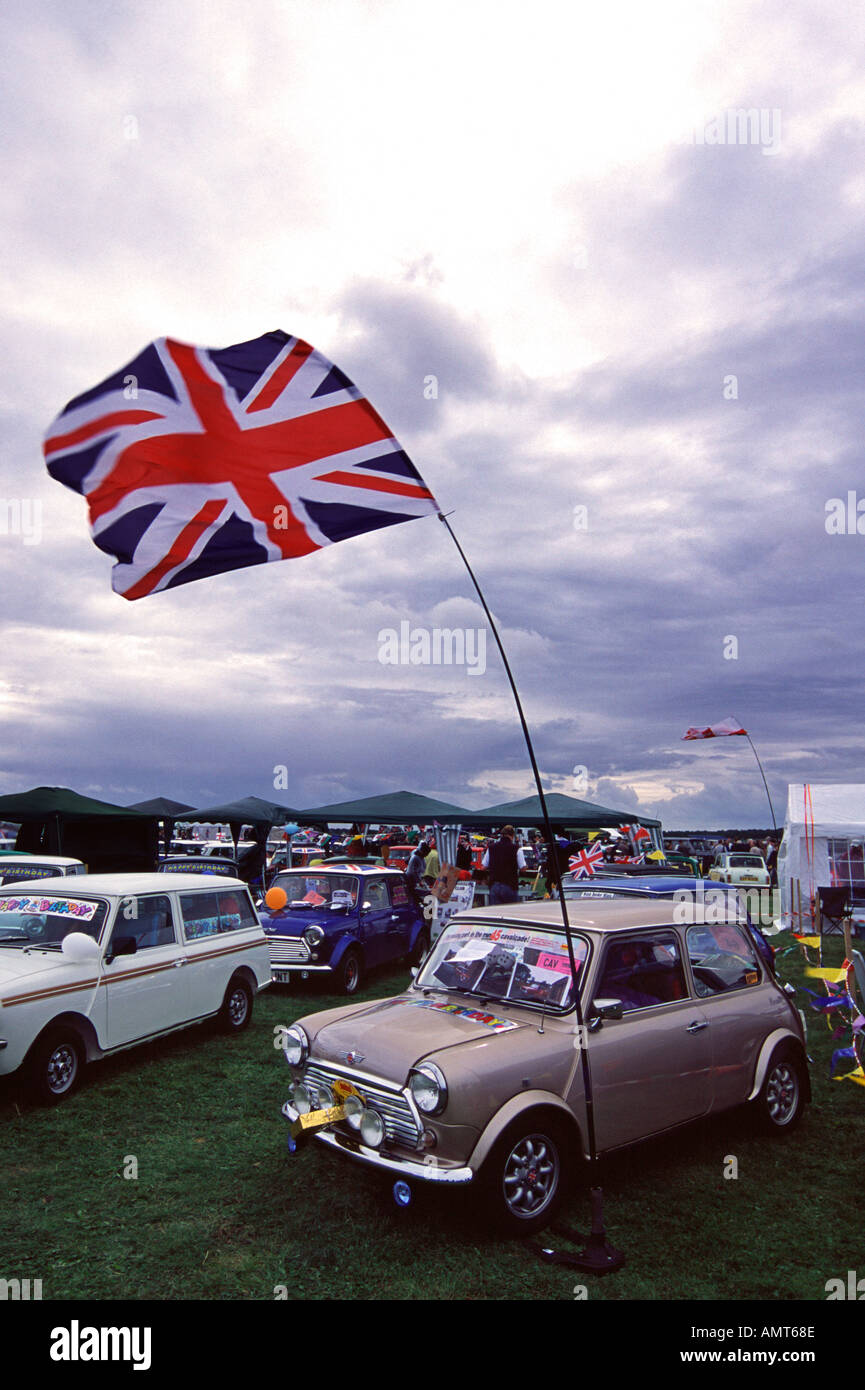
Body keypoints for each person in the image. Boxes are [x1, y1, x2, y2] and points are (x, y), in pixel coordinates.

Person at [482, 825, 525, 905]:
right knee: (510, 912)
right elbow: (522, 868)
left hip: (495, 885)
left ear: (501, 835)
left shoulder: (491, 848)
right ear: (512, 836)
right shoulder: (517, 848)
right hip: (510, 885)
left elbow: (483, 867)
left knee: (496, 913)